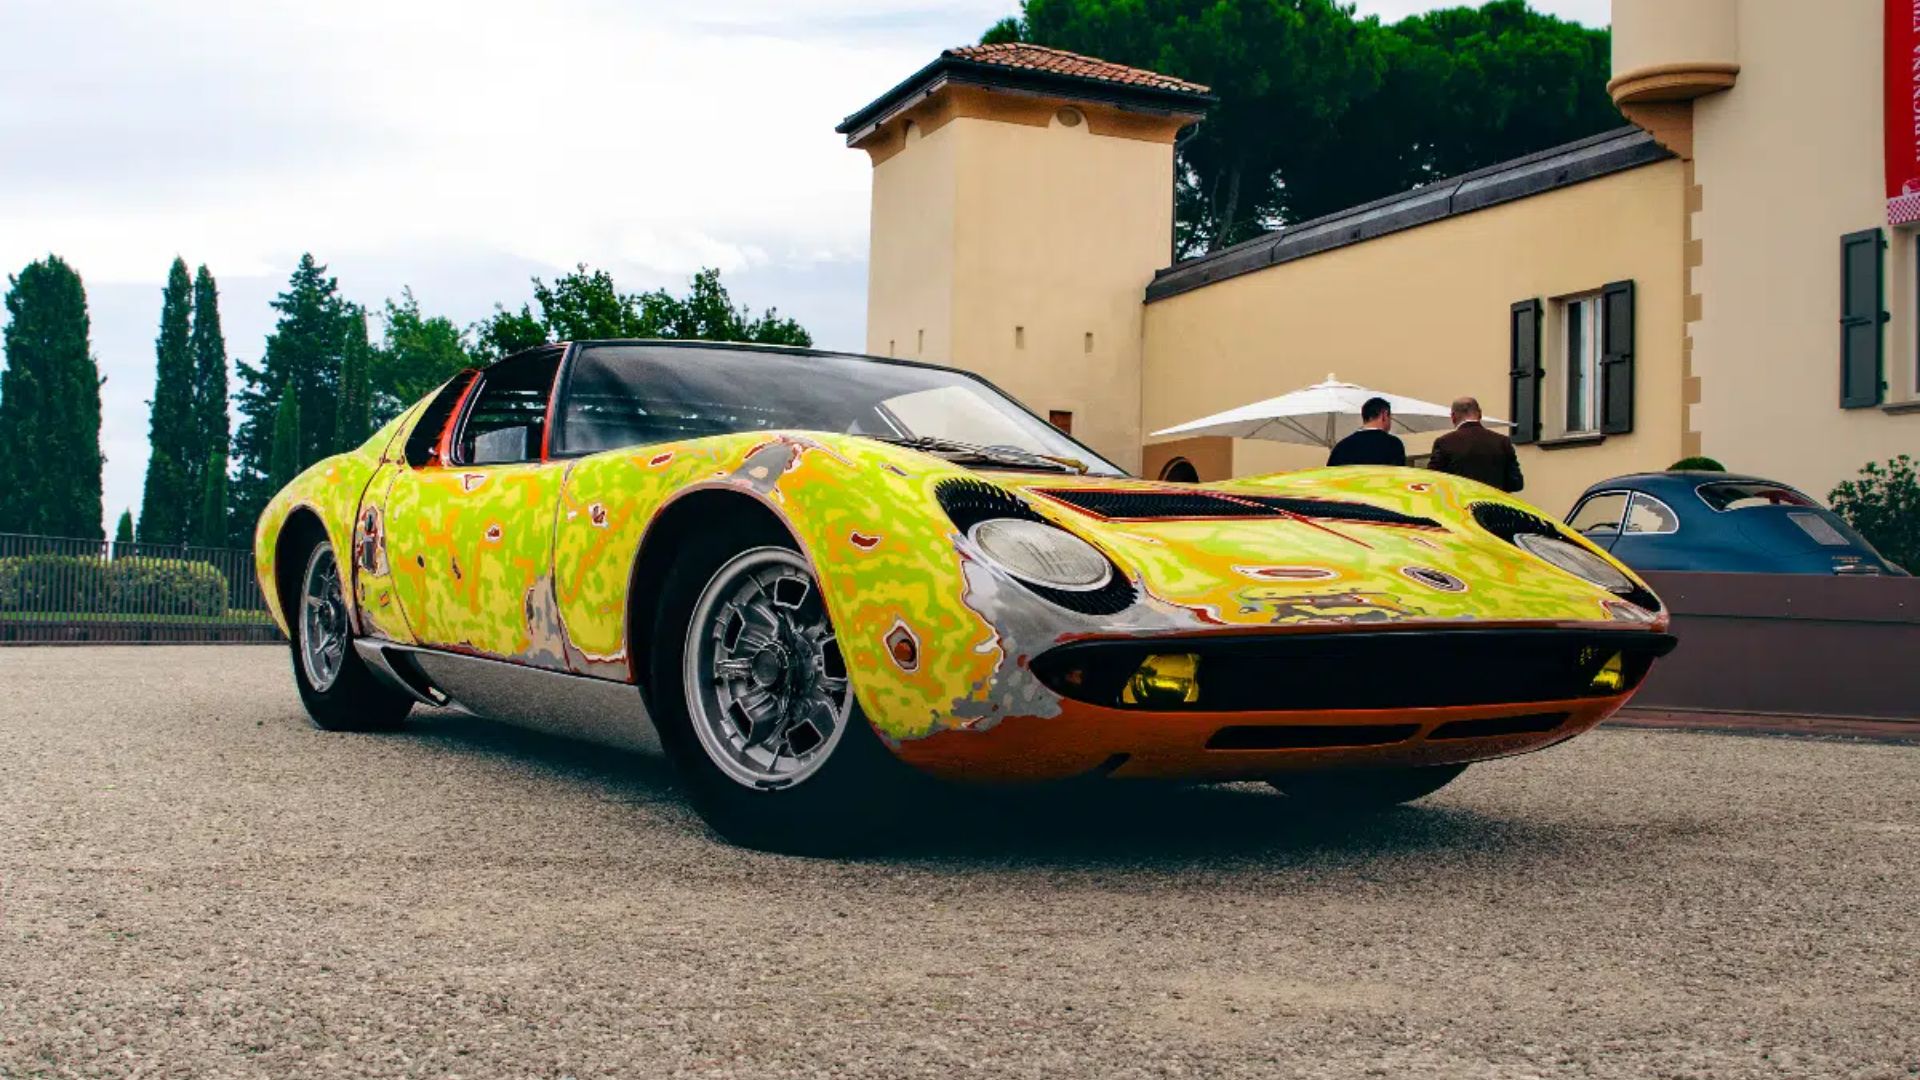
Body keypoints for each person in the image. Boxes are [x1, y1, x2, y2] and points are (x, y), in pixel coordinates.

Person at [1428, 396, 1524, 492]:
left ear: (1453, 416)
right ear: (1480, 414)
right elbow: (1516, 484)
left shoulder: (1444, 442)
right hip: (1493, 500)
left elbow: (1433, 482)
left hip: (1461, 500)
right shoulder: (1503, 442)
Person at [1326, 396, 1407, 467]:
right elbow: (1399, 474)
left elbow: (1330, 475)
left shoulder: (1342, 447)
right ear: (1384, 415)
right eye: (1390, 417)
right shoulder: (1393, 444)